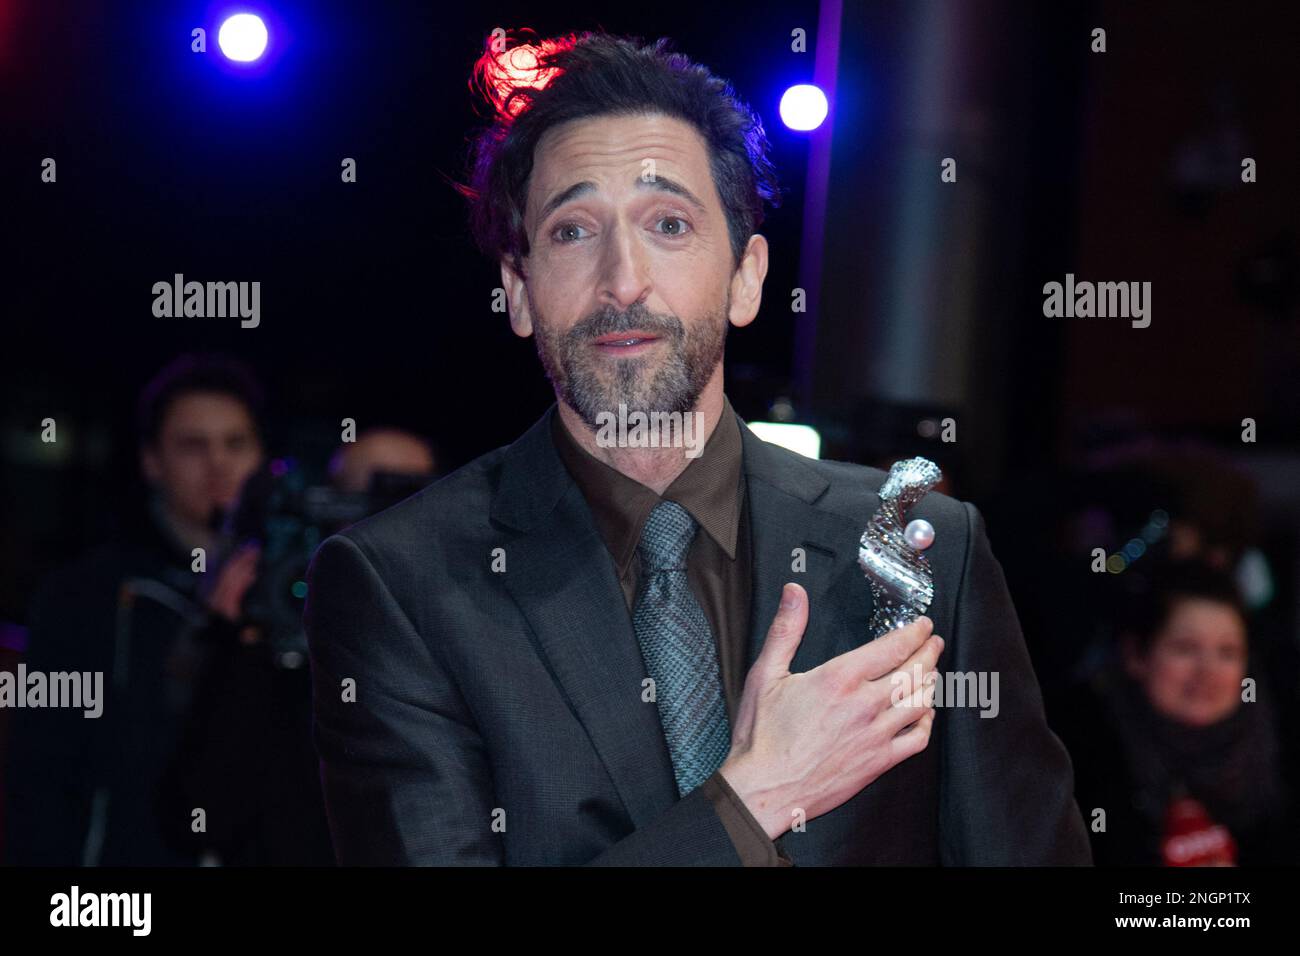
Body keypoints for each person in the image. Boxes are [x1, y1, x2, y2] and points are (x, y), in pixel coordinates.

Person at [303, 30, 1091, 865]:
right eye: (573, 231)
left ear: (747, 277)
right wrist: (757, 798)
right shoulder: (403, 586)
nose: (623, 280)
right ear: (520, 291)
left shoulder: (925, 548)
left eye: (669, 223)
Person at [4, 354, 265, 865]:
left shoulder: (297, 592)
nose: (219, 463)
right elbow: (44, 777)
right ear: (152, 461)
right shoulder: (87, 595)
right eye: (193, 445)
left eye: (237, 443)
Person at [1068, 559, 1295, 866]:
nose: (1208, 672)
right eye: (1185, 648)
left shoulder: (1282, 749)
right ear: (1136, 655)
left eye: (1227, 652)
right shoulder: (1079, 759)